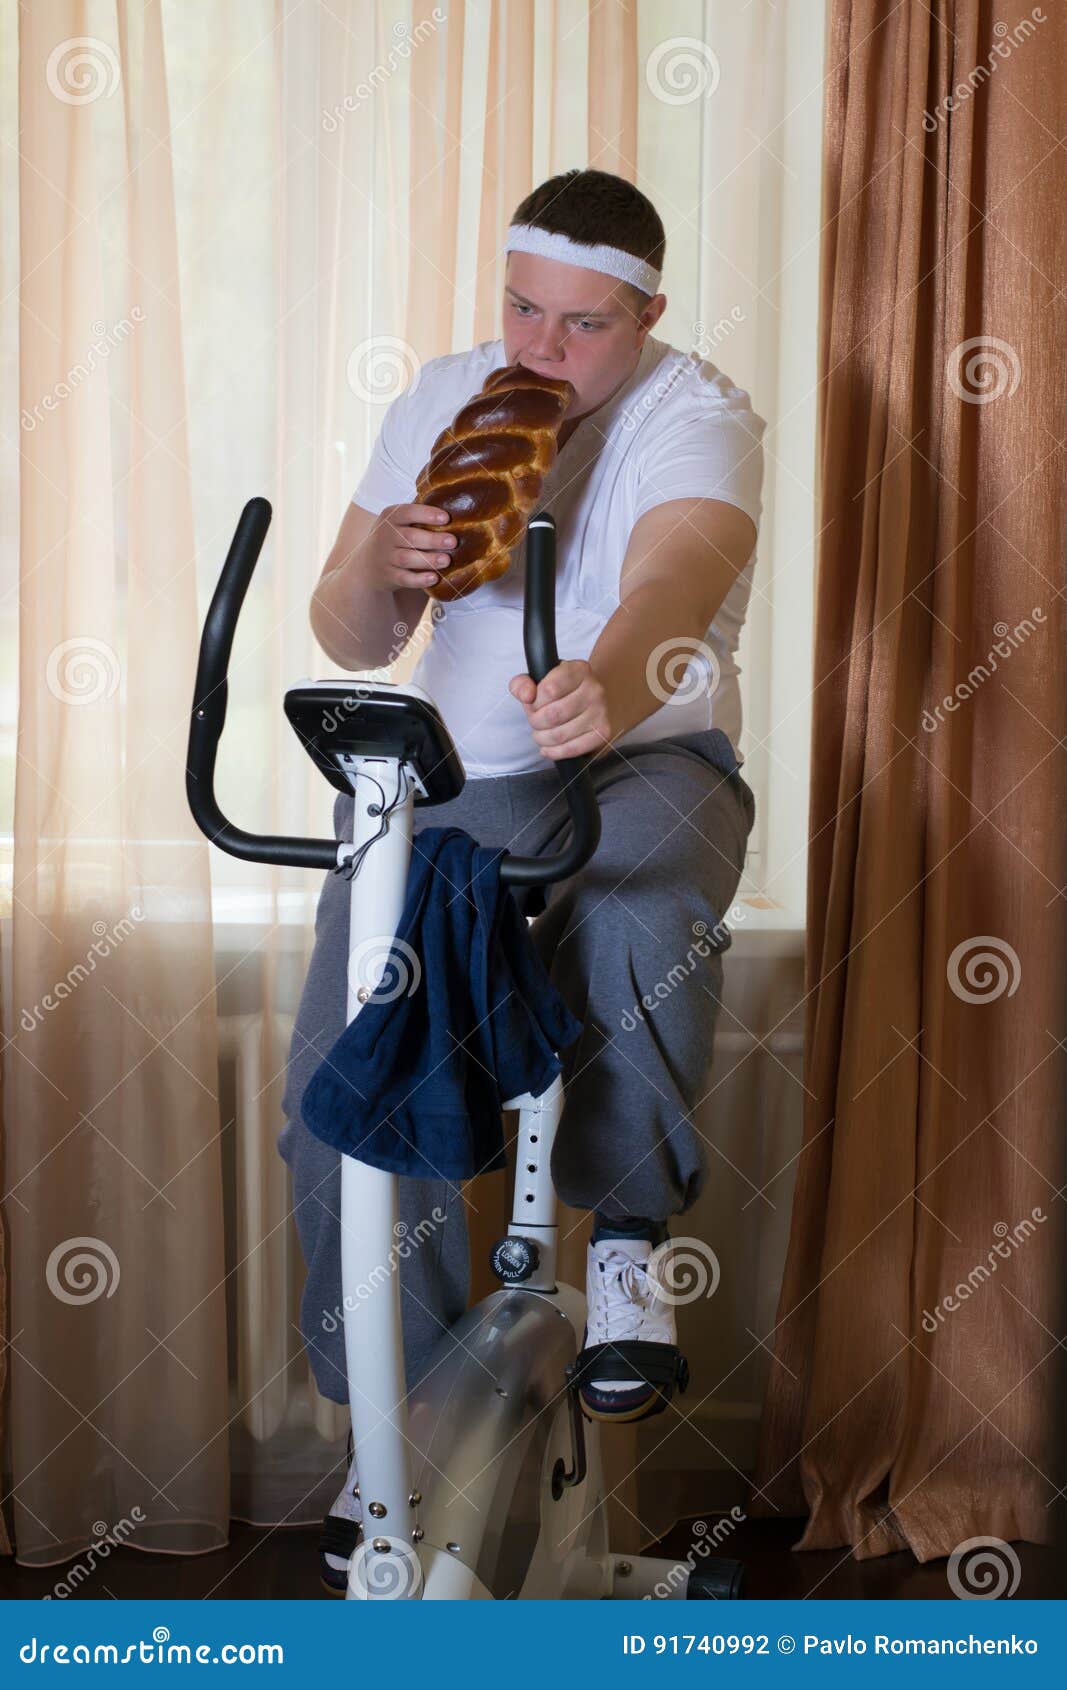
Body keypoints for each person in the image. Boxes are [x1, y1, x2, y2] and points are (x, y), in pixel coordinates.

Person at [277, 168, 765, 1591]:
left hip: (641, 754)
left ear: (646, 316)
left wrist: (606, 682)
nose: (543, 346)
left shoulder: (698, 413)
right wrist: (381, 563)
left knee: (642, 888)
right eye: (523, 309)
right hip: (449, 781)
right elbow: (349, 630)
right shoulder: (446, 397)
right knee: (348, 1079)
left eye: (584, 324)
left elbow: (679, 582)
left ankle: (625, 1246)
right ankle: (401, 1428)